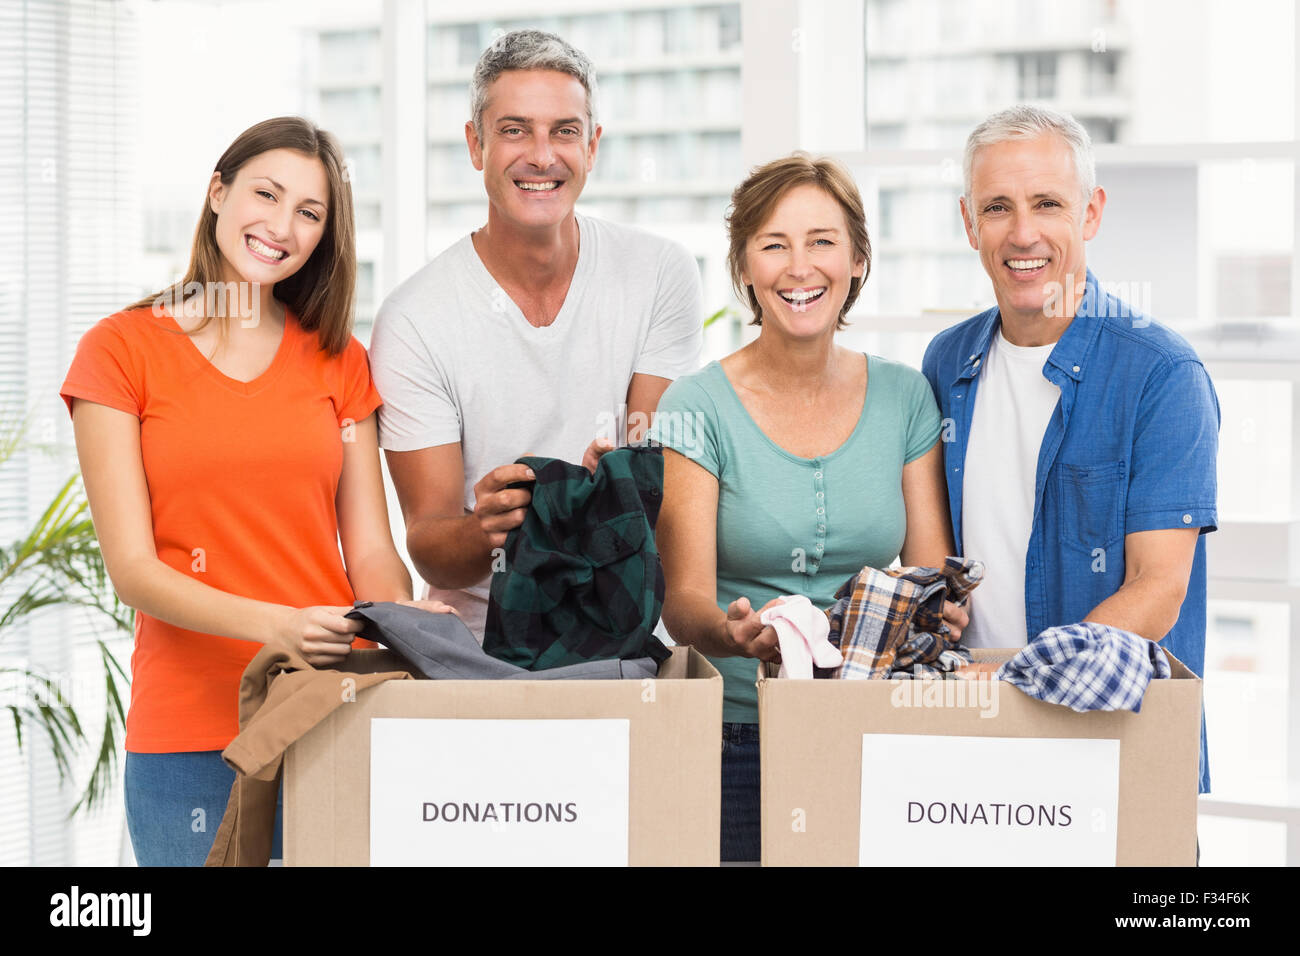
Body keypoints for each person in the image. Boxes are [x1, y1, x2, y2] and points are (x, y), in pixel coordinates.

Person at [60, 117, 449, 866]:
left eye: (310, 212)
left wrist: (400, 617)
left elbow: (368, 544)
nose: (282, 226)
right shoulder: (120, 351)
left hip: (329, 709)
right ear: (216, 193)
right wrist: (279, 624)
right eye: (265, 195)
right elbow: (134, 571)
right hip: (188, 740)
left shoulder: (339, 361)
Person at [651, 154, 961, 863]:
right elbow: (685, 602)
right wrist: (737, 636)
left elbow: (928, 572)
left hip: (868, 728)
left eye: (822, 241)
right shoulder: (696, 406)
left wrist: (943, 605)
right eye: (773, 244)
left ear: (857, 260)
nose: (800, 267)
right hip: (732, 738)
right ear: (745, 269)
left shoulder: (905, 398)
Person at [920, 104, 1219, 797]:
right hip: (976, 746)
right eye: (997, 207)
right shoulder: (945, 362)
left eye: (1047, 203)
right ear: (968, 222)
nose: (1023, 233)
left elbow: (1158, 589)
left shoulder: (1162, 374)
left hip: (1117, 750)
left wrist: (1019, 676)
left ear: (1090, 213)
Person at [370, 29, 702, 638]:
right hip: (480, 649)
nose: (542, 155)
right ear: (476, 144)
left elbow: (657, 485)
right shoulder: (415, 318)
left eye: (565, 131)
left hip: (622, 637)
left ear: (593, 146)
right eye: (515, 129)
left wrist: (627, 471)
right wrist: (483, 529)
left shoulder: (659, 273)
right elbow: (429, 544)